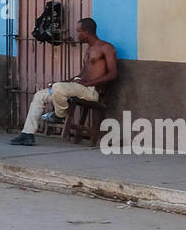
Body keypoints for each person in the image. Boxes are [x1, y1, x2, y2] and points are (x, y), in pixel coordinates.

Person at [10, 17, 118, 146]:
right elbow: (82, 74)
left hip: (91, 91)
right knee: (40, 95)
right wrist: (64, 81)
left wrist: (87, 83)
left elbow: (113, 73)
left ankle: (59, 115)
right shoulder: (89, 50)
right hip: (79, 87)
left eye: (79, 32)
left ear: (86, 32)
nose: (77, 35)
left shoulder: (106, 47)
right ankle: (27, 134)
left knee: (58, 88)